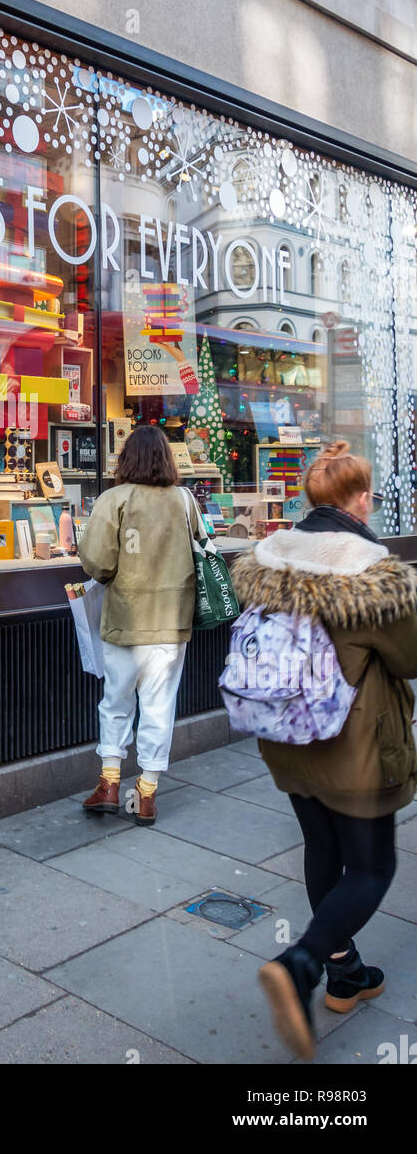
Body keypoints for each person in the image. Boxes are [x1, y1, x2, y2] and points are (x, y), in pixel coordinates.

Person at [231, 441, 417, 1061]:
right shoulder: (367, 572)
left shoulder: (271, 558)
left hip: (286, 739)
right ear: (359, 499)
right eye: (369, 492)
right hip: (354, 746)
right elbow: (411, 656)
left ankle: (344, 974)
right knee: (371, 869)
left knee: (322, 850)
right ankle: (302, 963)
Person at [77, 424, 201, 824]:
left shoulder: (114, 499)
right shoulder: (185, 500)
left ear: (126, 458)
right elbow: (203, 550)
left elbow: (97, 562)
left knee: (115, 702)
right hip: (170, 623)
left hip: (125, 620)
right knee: (158, 708)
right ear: (167, 458)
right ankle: (146, 794)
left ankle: (109, 783)